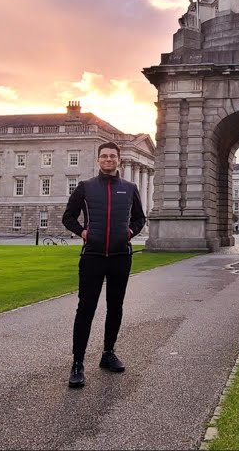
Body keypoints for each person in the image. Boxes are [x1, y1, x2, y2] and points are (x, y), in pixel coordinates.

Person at [61, 141, 145, 388]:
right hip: (93, 257)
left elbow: (140, 218)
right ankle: (77, 364)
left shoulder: (129, 188)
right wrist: (83, 232)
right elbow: (68, 217)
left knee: (115, 307)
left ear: (119, 160)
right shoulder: (85, 187)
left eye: (112, 156)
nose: (108, 159)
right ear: (98, 160)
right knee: (85, 310)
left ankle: (108, 353)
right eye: (104, 156)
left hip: (120, 256)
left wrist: (129, 233)